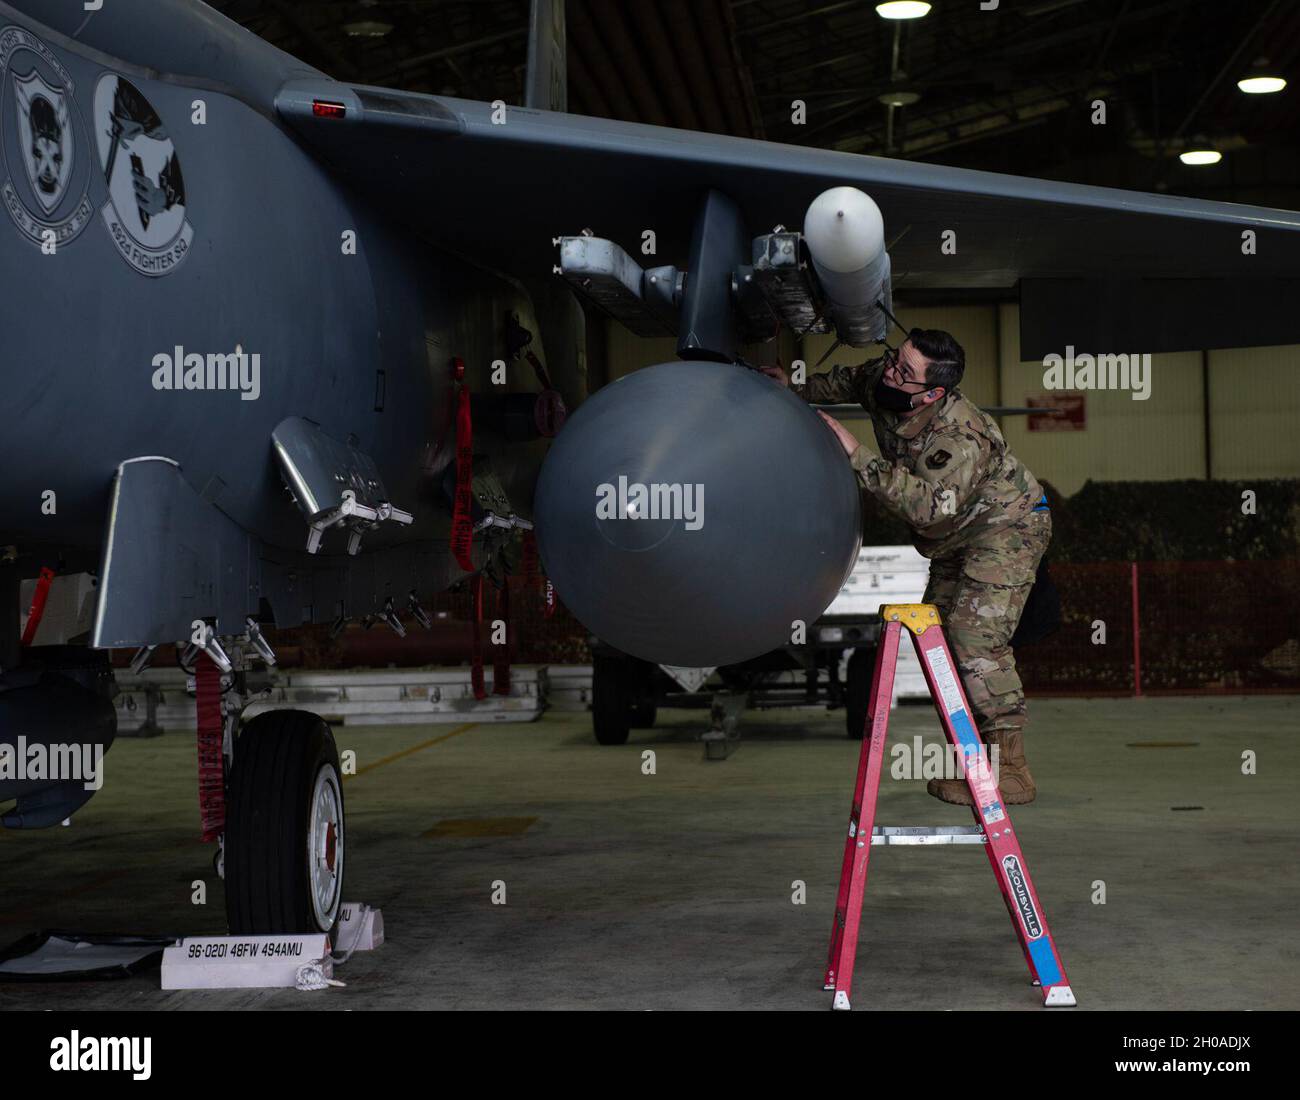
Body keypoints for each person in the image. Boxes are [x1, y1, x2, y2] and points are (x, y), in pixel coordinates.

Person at [762, 330, 1050, 804]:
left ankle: (1013, 771)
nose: (892, 372)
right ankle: (978, 768)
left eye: (905, 372)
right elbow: (849, 380)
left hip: (1006, 527)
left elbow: (928, 508)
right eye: (896, 360)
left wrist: (857, 456)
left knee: (973, 639)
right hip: (955, 536)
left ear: (933, 393)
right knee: (936, 644)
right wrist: (790, 389)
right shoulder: (888, 377)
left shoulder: (960, 436)